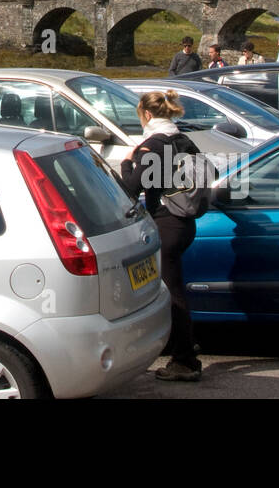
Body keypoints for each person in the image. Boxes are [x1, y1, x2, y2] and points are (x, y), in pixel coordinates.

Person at [117, 89, 202, 383]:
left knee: (172, 293)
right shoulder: (183, 139)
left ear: (148, 115)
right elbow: (207, 172)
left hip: (166, 223)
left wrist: (127, 161)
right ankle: (183, 344)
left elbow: (130, 187)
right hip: (185, 222)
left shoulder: (152, 146)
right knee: (173, 287)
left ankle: (185, 361)